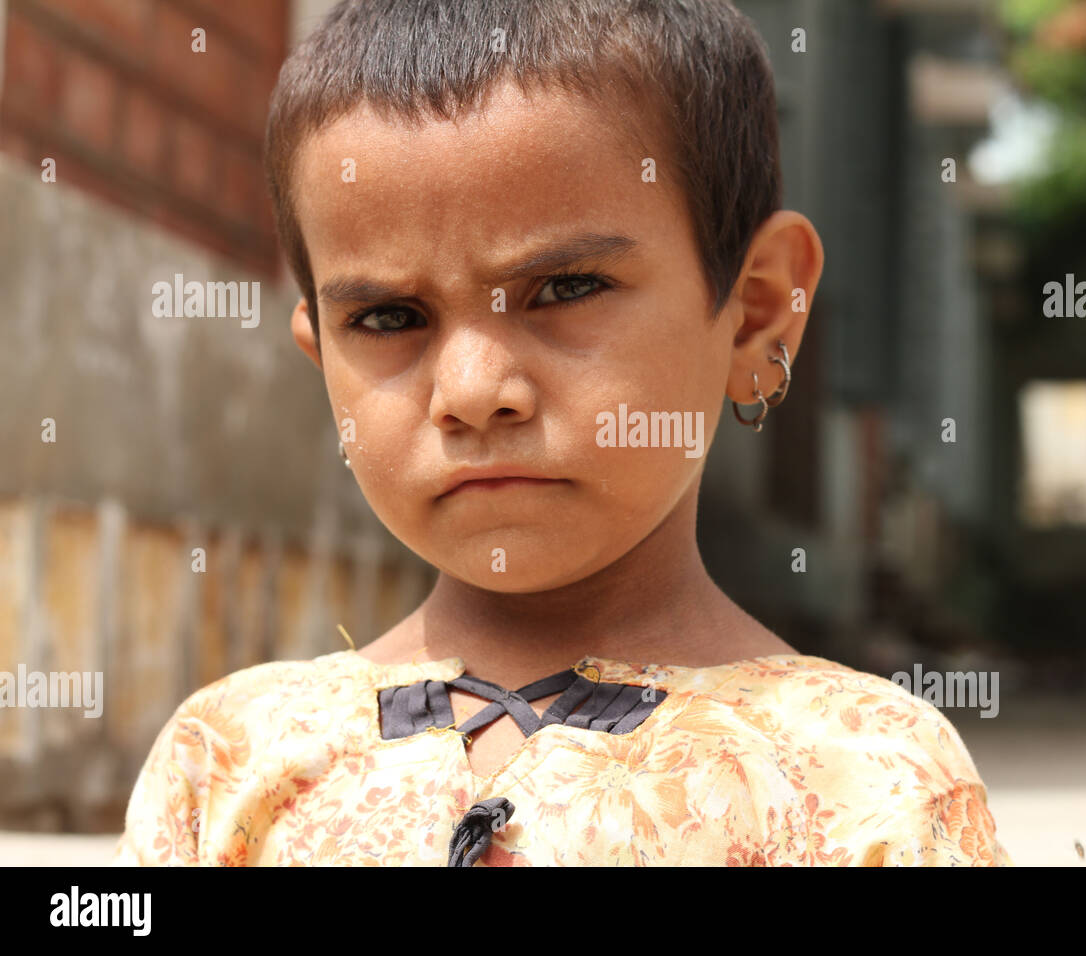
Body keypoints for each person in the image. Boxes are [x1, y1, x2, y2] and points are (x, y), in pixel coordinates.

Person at [112, 0, 1012, 866]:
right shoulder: (226, 767)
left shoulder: (864, 780)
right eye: (388, 319)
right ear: (323, 361)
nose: (471, 393)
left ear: (757, 314)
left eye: (567, 289)